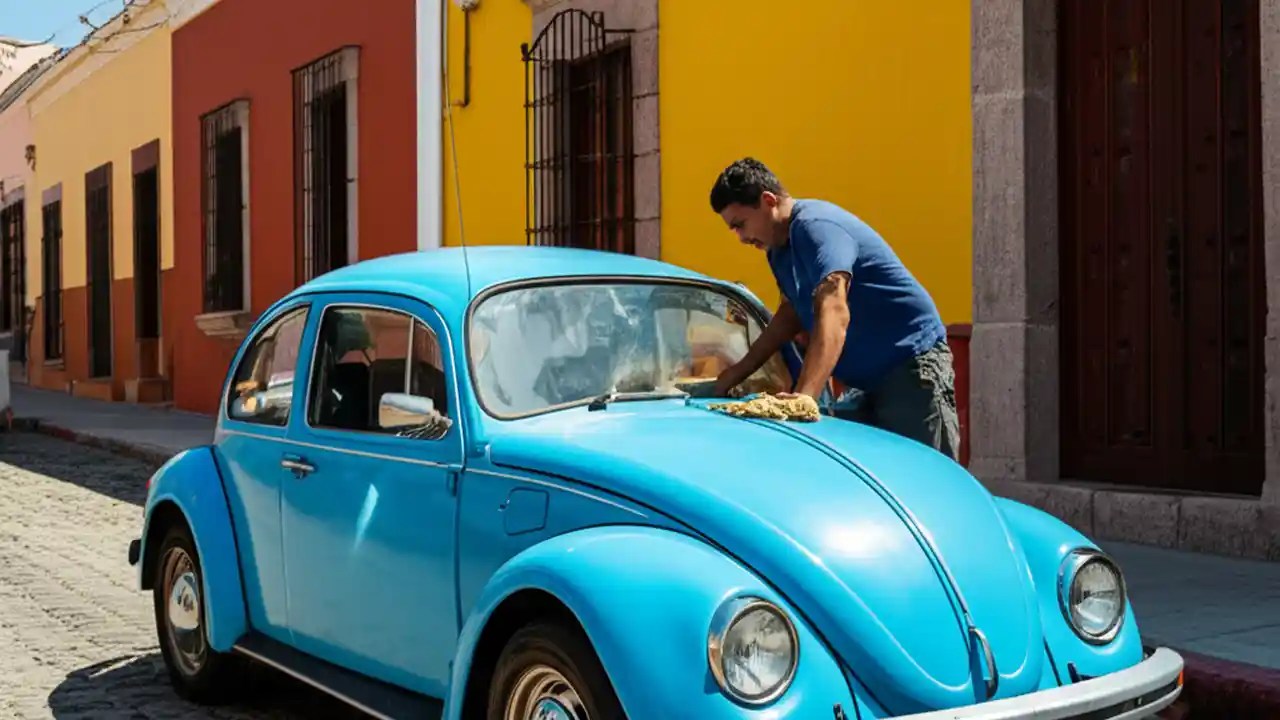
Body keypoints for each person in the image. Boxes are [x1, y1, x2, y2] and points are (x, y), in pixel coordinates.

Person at [708, 157, 960, 460]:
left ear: (767, 201)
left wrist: (804, 398)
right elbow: (789, 316)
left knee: (925, 480)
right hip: (867, 383)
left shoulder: (817, 228)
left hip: (910, 369)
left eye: (740, 224)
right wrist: (732, 376)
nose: (741, 238)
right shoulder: (778, 251)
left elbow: (834, 307)